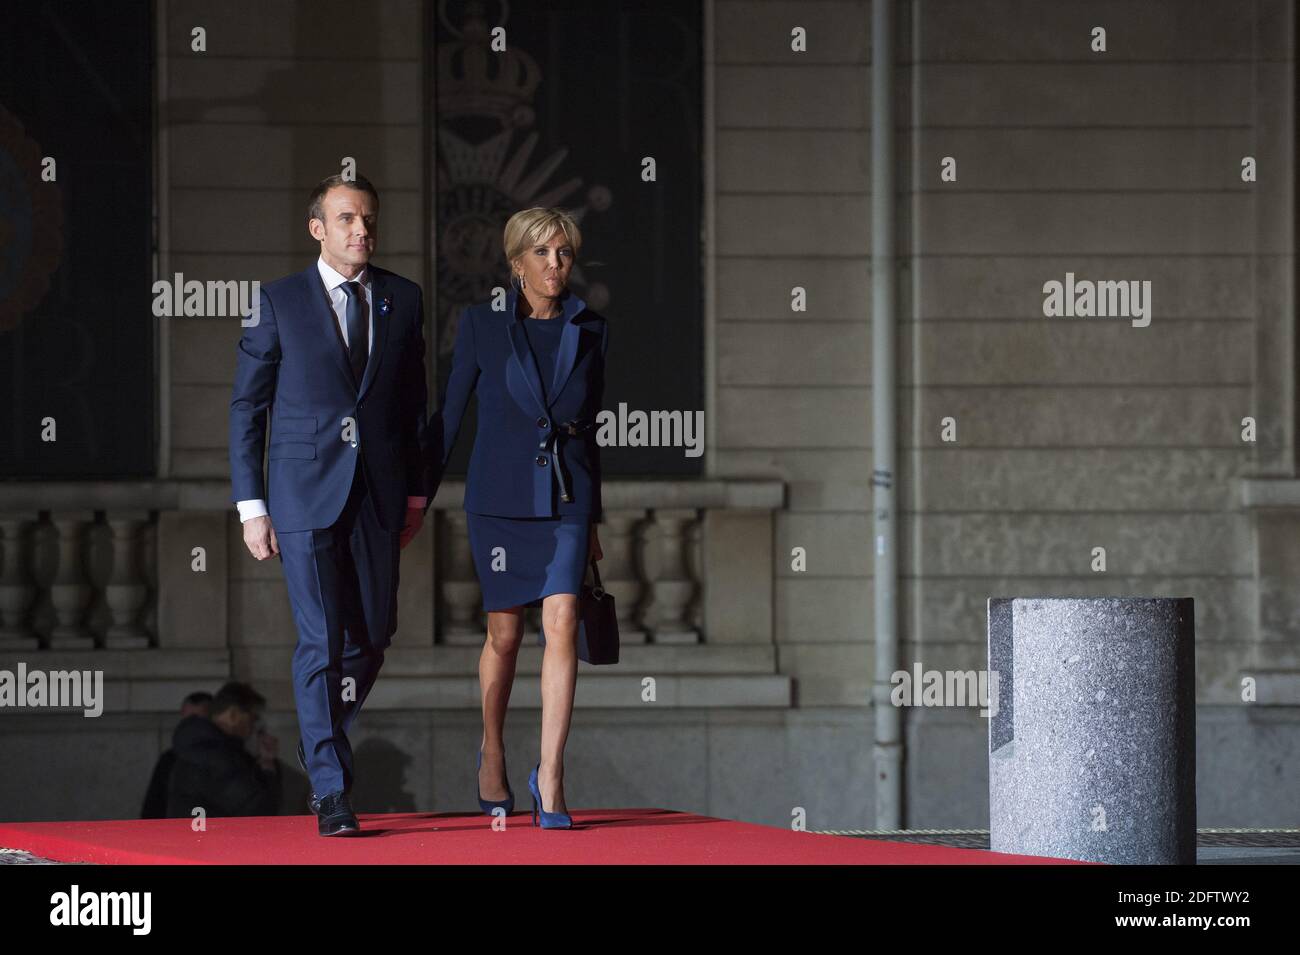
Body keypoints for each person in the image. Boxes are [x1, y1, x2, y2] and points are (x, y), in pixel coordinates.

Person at [228, 173, 430, 836]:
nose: (360, 230)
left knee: (372, 637)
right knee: (320, 638)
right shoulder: (278, 300)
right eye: (346, 219)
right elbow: (247, 407)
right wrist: (251, 505)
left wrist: (415, 492)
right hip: (301, 494)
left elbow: (411, 406)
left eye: (367, 218)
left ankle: (318, 736)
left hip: (377, 494)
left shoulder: (404, 298)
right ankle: (332, 786)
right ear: (318, 227)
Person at [425, 207, 609, 829]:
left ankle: (551, 775)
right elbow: (450, 418)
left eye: (564, 254)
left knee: (562, 620)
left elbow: (591, 432)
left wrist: (595, 523)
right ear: (515, 263)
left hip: (566, 499)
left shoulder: (591, 327)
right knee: (504, 635)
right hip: (499, 499)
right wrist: (416, 498)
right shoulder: (480, 325)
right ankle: (493, 751)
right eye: (542, 254)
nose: (555, 266)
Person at [166, 682, 281, 818]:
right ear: (233, 715)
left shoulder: (203, 747)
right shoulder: (216, 754)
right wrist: (268, 767)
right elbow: (257, 809)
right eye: (252, 718)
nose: (253, 727)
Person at [140, 691, 212, 818]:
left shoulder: (221, 758)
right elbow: (154, 806)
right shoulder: (169, 759)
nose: (189, 727)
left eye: (195, 720)